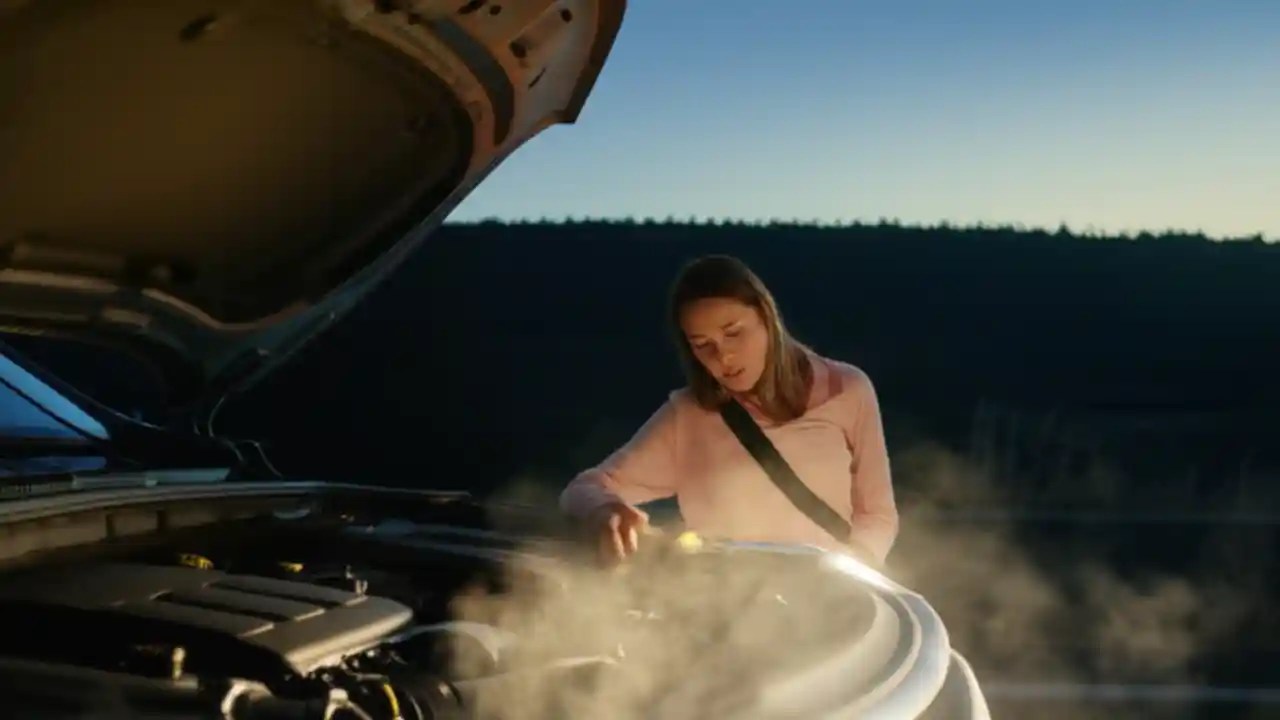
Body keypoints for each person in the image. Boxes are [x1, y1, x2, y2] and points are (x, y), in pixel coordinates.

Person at [559, 254, 899, 567]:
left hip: (827, 607)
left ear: (766, 316)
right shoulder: (689, 416)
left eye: (733, 333)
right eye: (703, 345)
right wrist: (606, 511)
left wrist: (853, 574)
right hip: (724, 610)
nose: (723, 357)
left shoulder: (848, 389)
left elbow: (878, 516)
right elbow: (584, 488)